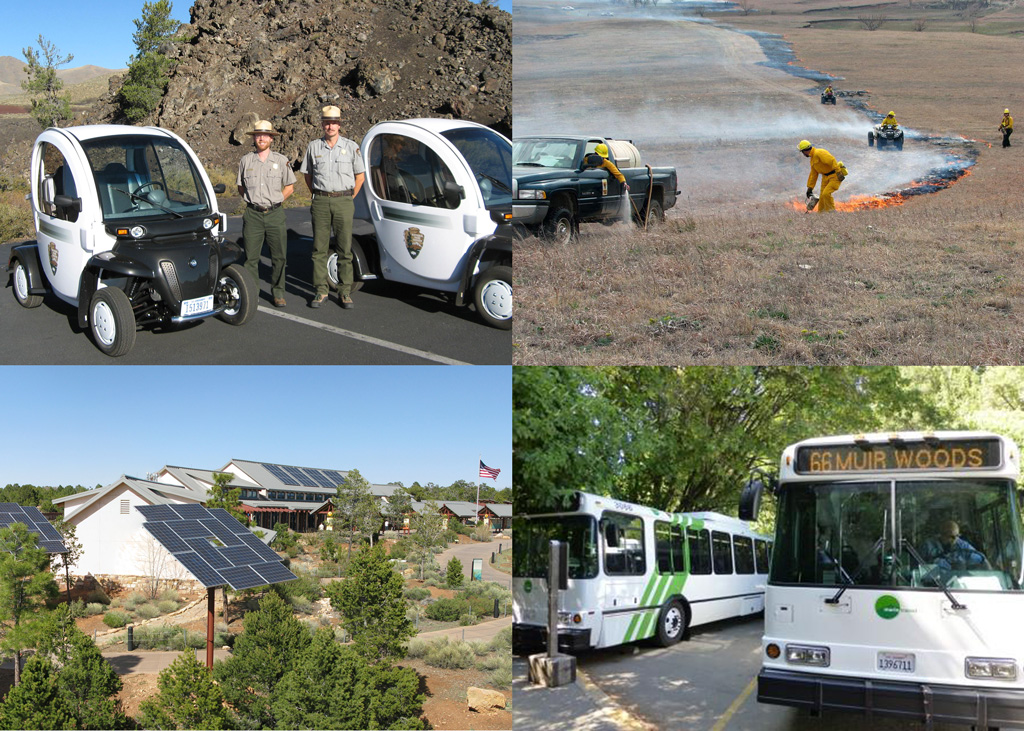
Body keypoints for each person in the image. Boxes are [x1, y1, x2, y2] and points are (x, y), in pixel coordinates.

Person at [300, 105, 365, 309]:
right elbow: (308, 175)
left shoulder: (351, 147)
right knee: (319, 249)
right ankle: (321, 291)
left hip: (343, 201)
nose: (330, 126)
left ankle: (344, 291)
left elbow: (360, 176)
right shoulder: (314, 147)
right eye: (327, 123)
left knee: (344, 248)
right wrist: (318, 193)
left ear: (339, 125)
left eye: (334, 123)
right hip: (321, 201)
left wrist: (349, 197)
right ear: (322, 124)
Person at [237, 120, 295, 307]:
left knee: (279, 257)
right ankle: (253, 292)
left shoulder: (281, 160)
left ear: (271, 138)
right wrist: (252, 200)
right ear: (254, 138)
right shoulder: (246, 161)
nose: (261, 138)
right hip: (252, 214)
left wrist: (276, 200)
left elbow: (290, 187)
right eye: (258, 135)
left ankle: (278, 293)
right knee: (251, 258)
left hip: (275, 214)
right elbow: (241, 187)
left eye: (265, 135)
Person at [921, 520, 988, 571]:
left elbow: (980, 560)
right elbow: (919, 566)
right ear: (942, 535)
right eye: (952, 537)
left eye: (957, 536)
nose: (955, 539)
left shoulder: (963, 546)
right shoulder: (928, 546)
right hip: (935, 582)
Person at [799, 140, 842, 213]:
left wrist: (839, 173)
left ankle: (832, 212)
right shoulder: (812, 159)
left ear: (805, 150)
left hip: (835, 176)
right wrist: (810, 188)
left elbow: (832, 160)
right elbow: (813, 174)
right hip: (825, 177)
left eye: (802, 152)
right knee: (822, 197)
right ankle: (821, 214)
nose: (803, 154)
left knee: (826, 193)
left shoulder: (819, 153)